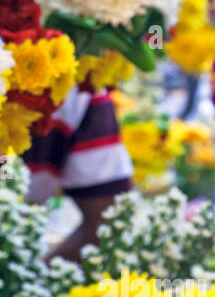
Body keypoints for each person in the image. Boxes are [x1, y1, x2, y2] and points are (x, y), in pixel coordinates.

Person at [22, 83, 133, 261]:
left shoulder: (83, 85)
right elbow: (110, 222)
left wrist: (30, 276)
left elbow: (109, 220)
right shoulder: (82, 85)